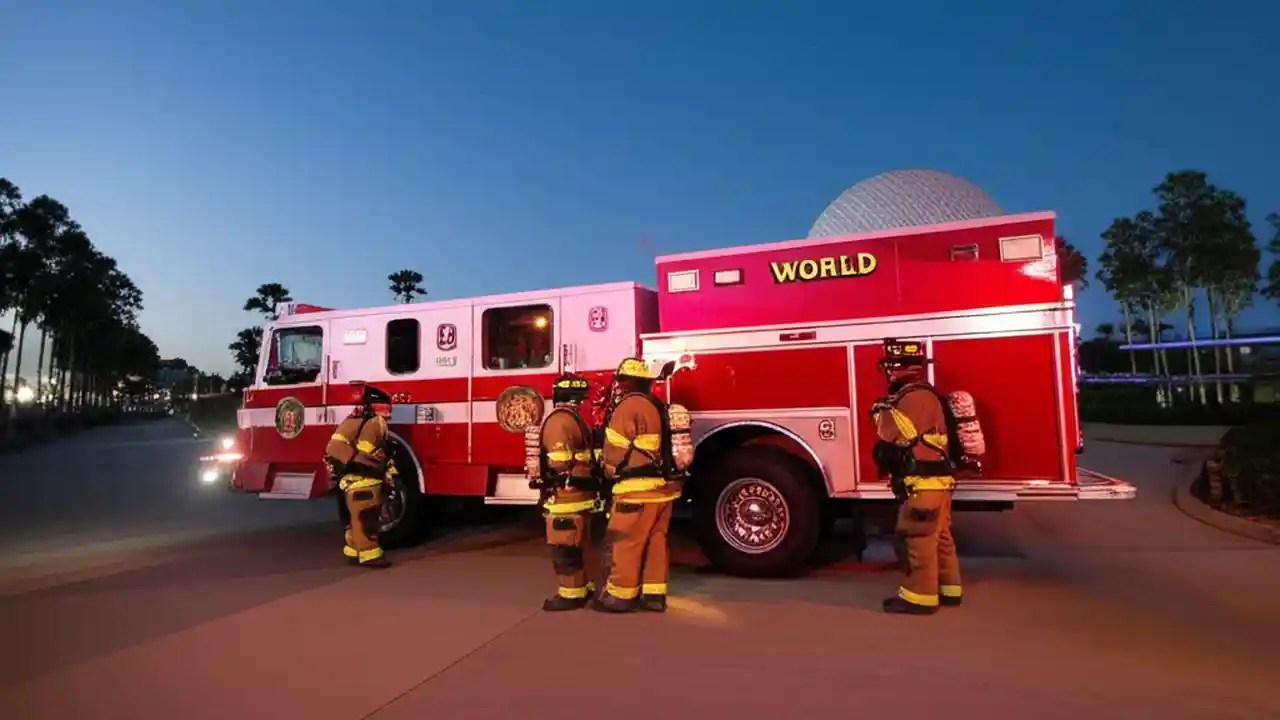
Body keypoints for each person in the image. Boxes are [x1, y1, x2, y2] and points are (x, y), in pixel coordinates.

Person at [870, 341, 962, 614]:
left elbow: (895, 435)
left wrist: (880, 410)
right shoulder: (928, 394)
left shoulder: (912, 398)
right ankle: (950, 589)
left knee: (918, 536)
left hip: (923, 483)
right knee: (941, 535)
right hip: (940, 482)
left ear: (895, 369)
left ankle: (919, 597)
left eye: (890, 368)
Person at [594, 357, 689, 613]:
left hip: (635, 491)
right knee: (657, 543)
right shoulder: (658, 405)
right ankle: (653, 596)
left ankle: (620, 597)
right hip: (663, 490)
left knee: (626, 542)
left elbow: (614, 451)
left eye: (620, 381)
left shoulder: (629, 406)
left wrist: (604, 465)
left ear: (626, 382)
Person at [526, 373, 606, 611]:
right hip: (582, 495)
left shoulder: (558, 422)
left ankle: (570, 595)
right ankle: (586, 587)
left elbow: (559, 462)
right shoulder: (576, 419)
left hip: (565, 497)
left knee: (564, 548)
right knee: (582, 545)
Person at [324, 383, 395, 569]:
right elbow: (369, 454)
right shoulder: (375, 423)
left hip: (346, 481)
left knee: (352, 521)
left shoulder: (352, 420)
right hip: (364, 481)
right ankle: (371, 555)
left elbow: (336, 449)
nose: (389, 412)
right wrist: (383, 470)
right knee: (367, 519)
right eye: (386, 407)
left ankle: (353, 551)